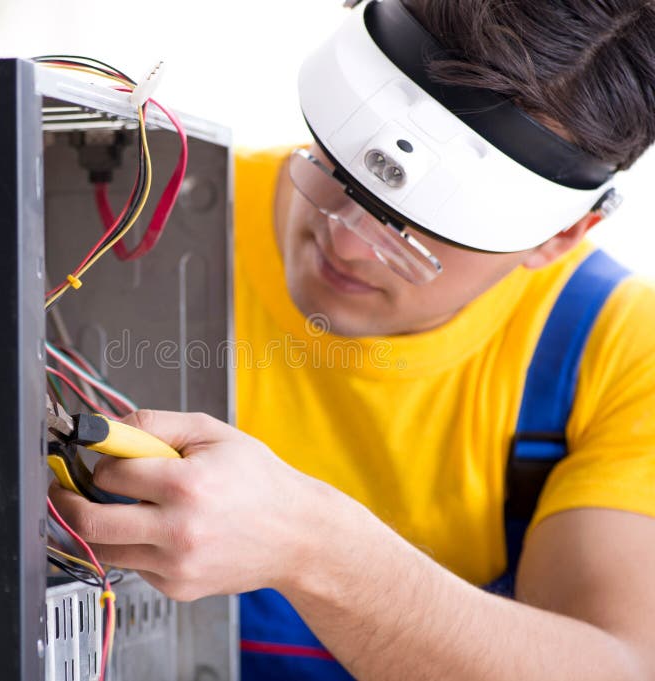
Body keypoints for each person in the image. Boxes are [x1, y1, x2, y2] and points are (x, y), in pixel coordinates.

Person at [50, 0, 655, 678]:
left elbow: (618, 664)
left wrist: (317, 548)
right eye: (336, 171)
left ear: (561, 235)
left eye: (414, 231)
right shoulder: (126, 222)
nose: (341, 240)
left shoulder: (616, 349)